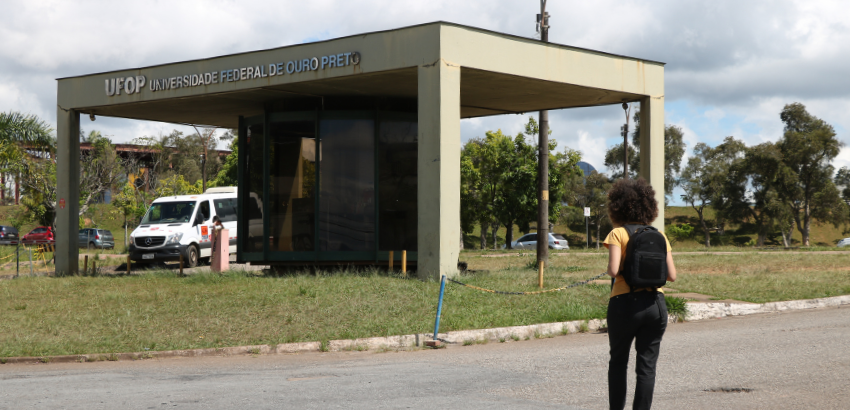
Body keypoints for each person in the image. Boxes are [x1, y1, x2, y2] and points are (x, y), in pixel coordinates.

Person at [603, 178, 677, 410]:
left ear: (618, 206)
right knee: (647, 366)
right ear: (649, 206)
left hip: (624, 305)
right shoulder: (660, 236)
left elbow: (614, 271)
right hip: (656, 304)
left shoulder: (617, 234)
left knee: (618, 362)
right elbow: (672, 276)